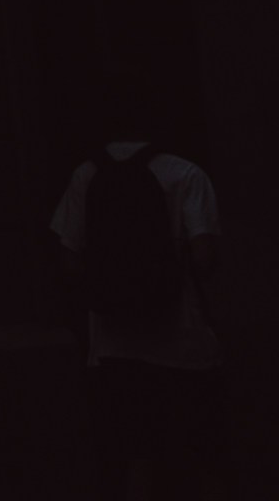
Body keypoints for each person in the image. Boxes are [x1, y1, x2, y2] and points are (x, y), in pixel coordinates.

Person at [55, 113, 225, 500]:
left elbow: (69, 262)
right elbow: (205, 259)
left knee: (138, 456)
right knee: (205, 456)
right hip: (186, 343)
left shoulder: (86, 175)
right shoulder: (186, 174)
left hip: (114, 347)